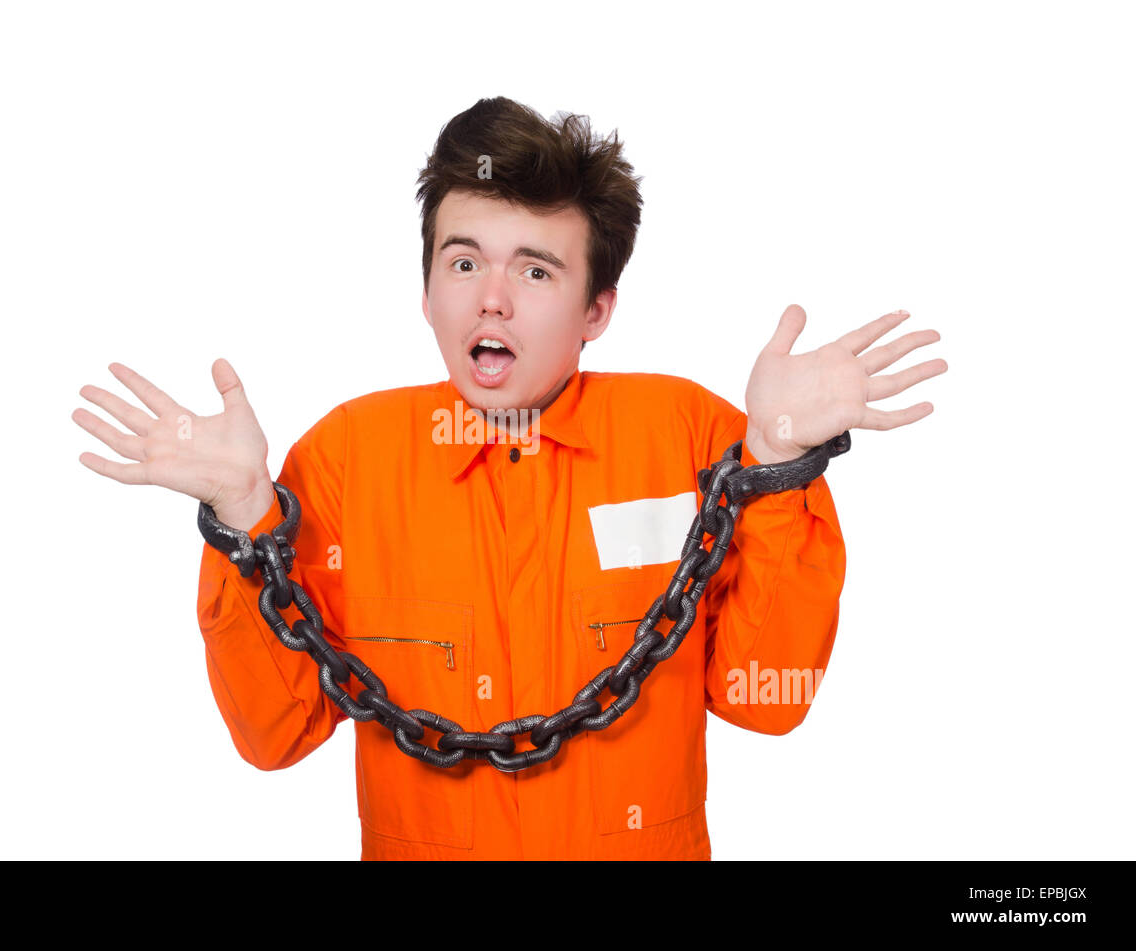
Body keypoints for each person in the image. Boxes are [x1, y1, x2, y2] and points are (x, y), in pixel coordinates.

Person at [73, 97, 947, 860]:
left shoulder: (691, 435)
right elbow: (276, 734)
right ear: (427, 293)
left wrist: (780, 465)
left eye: (535, 269)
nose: (491, 297)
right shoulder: (346, 459)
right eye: (463, 262)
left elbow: (768, 699)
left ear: (596, 309)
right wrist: (243, 519)